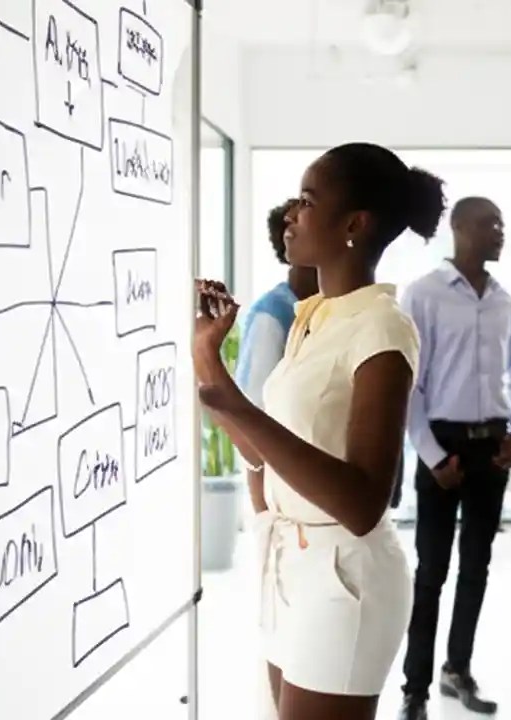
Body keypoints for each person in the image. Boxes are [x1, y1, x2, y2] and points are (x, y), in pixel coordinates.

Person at [191, 142, 446, 720]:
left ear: (354, 224)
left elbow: (363, 502)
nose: (291, 215)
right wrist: (208, 355)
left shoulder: (382, 326)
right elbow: (266, 453)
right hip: (292, 565)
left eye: (307, 202)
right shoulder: (313, 316)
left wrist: (236, 405)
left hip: (343, 576)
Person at [396, 196, 511, 720]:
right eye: (488, 223)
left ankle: (458, 669)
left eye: (501, 223)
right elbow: (410, 384)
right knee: (431, 571)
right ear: (457, 228)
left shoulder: (503, 301)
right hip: (442, 447)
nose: (499, 231)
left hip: (491, 448)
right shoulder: (424, 295)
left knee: (477, 566)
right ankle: (415, 689)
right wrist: (432, 456)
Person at [234, 198, 321, 514]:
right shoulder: (271, 317)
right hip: (285, 496)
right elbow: (253, 420)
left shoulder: (331, 310)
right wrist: (265, 518)